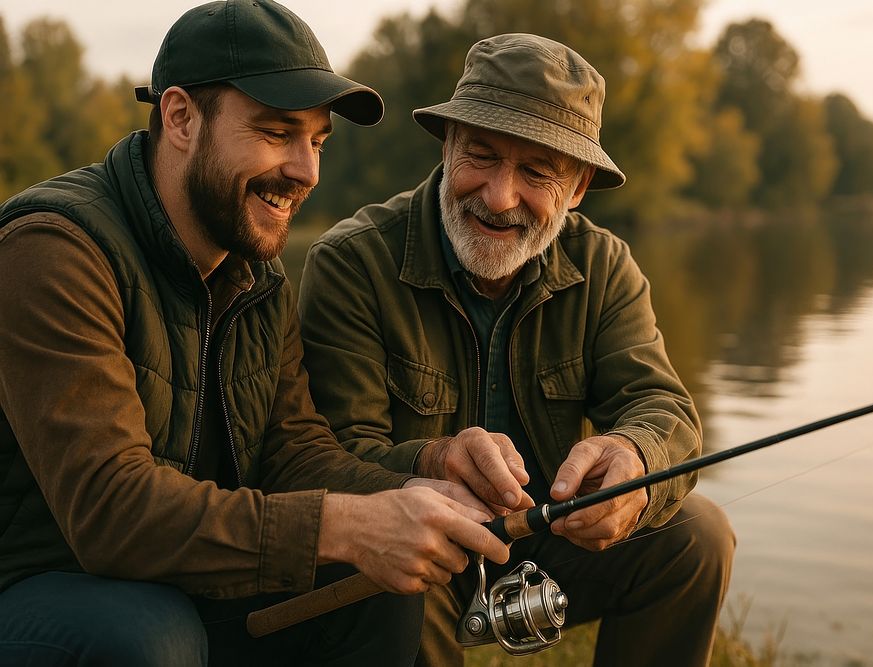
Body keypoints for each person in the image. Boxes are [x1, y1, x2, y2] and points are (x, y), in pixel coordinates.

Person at [0, 2, 509, 665]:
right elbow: (111, 510)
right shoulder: (54, 249)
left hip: (172, 576)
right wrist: (347, 524)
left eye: (318, 141)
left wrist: (420, 480)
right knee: (151, 637)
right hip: (35, 584)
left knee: (375, 587)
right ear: (179, 117)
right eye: (277, 132)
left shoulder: (255, 275)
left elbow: (293, 455)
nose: (306, 171)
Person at [298, 33, 737, 666]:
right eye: (481, 154)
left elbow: (661, 405)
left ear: (578, 187)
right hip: (413, 540)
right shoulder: (352, 262)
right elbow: (332, 457)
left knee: (698, 535)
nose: (499, 196)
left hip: (546, 541)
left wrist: (634, 462)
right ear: (448, 146)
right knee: (389, 570)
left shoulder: (604, 265)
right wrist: (434, 460)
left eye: (536, 172)